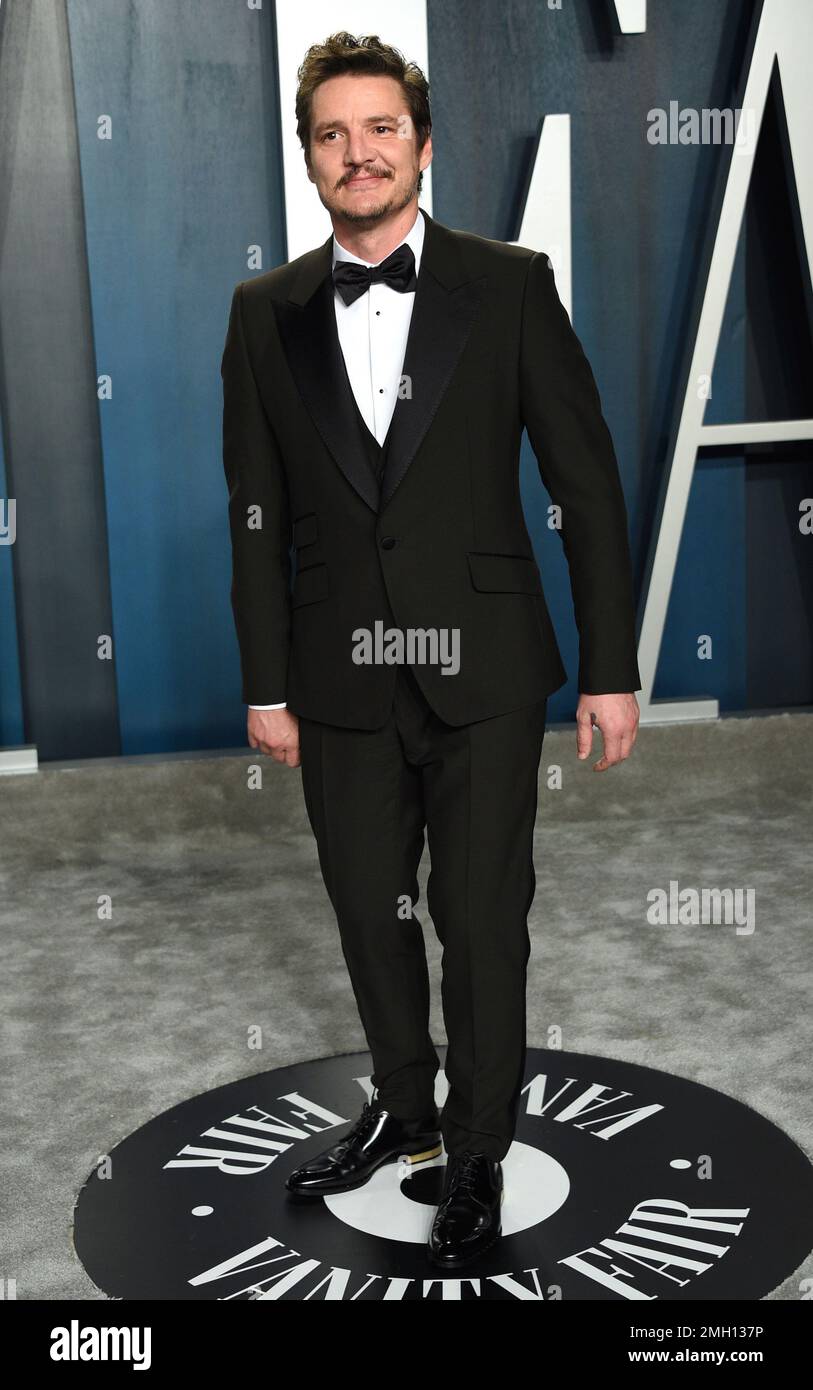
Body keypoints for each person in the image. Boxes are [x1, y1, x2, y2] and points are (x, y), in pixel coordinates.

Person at [221, 30, 640, 1270]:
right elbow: (251, 511)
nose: (359, 152)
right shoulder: (263, 314)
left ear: (423, 142)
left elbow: (590, 486)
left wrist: (611, 667)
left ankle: (477, 1151)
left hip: (486, 673)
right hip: (335, 677)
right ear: (308, 158)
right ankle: (402, 1108)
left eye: (381, 127)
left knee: (480, 917)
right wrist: (266, 682)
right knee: (367, 911)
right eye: (333, 134)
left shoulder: (508, 284)